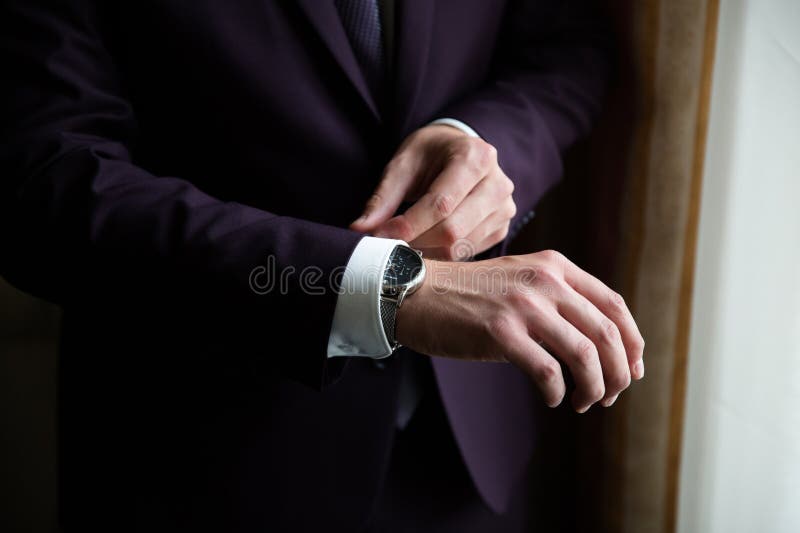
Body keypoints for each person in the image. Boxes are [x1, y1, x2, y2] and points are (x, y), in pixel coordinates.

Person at [0, 1, 644, 531]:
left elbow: (567, 40)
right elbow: (44, 183)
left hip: (465, 449)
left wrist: (479, 140)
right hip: (200, 460)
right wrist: (383, 289)